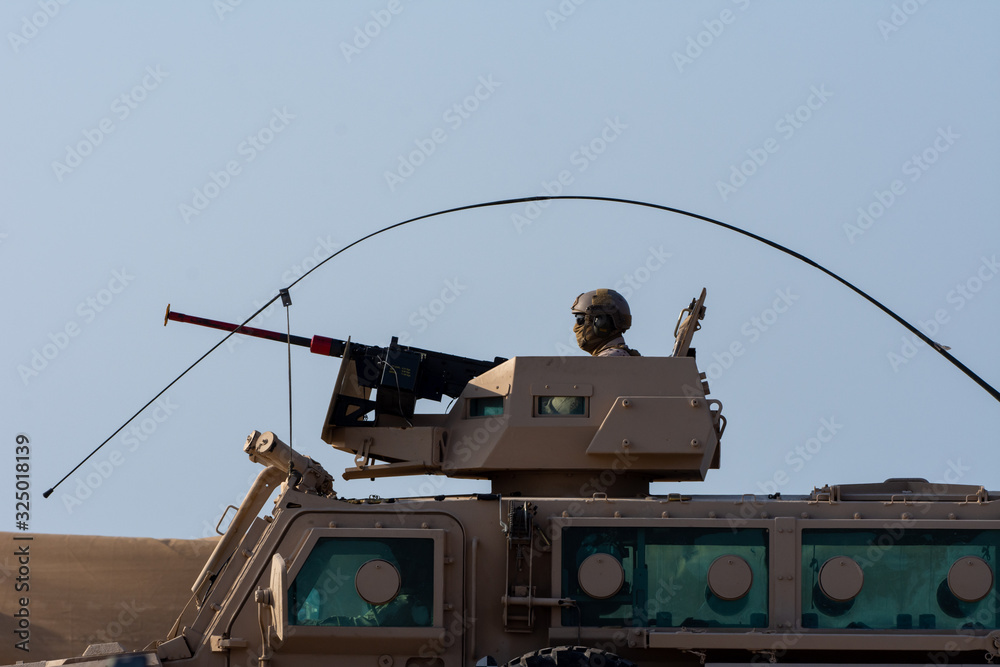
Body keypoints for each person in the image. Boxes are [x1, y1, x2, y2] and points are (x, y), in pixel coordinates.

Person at [571, 289, 640, 357]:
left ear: (602, 323)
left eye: (580, 319)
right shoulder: (619, 356)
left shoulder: (609, 359)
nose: (575, 328)